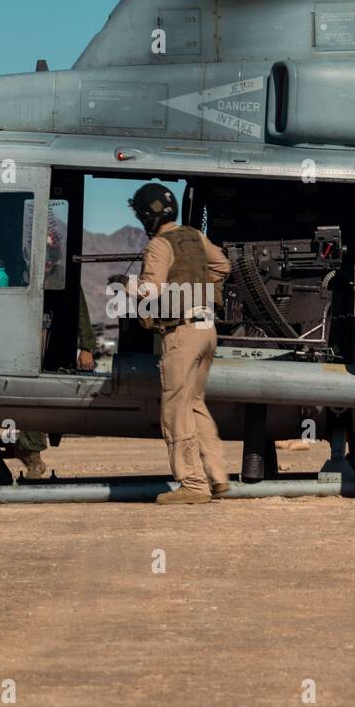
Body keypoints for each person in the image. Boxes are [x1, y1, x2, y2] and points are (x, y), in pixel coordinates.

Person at [129, 183, 231, 505]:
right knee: (195, 402)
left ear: (148, 216)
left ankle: (192, 483)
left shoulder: (160, 245)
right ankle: (217, 475)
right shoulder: (194, 236)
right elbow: (223, 266)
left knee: (175, 408)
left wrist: (127, 285)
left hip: (183, 333)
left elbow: (151, 291)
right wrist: (199, 290)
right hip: (206, 329)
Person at [16, 289, 98, 478]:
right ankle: (15, 453)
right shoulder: (19, 266)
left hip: (53, 345)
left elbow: (80, 310)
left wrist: (86, 347)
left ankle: (32, 454)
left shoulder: (62, 274)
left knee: (36, 395)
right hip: (22, 341)